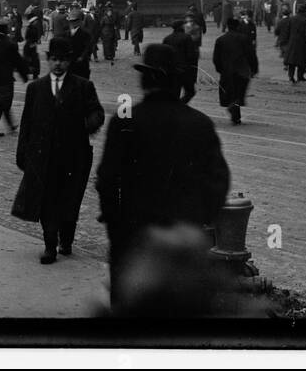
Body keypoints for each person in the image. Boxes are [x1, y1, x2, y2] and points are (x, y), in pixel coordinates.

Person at [95, 43, 230, 305]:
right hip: (184, 243)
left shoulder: (125, 121)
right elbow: (218, 183)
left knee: (131, 315)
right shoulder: (200, 124)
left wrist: (117, 228)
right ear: (176, 84)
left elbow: (107, 181)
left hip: (133, 239)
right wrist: (196, 222)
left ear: (145, 81)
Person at [12, 37, 105, 263]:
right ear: (48, 60)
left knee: (70, 201)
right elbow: (27, 122)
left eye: (63, 60)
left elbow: (97, 113)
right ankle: (49, 246)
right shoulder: (36, 88)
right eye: (54, 59)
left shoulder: (83, 86)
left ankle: (67, 240)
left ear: (69, 62)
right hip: (44, 156)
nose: (58, 65)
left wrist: (87, 124)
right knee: (47, 202)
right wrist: (22, 152)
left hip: (75, 157)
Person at [212, 17, 259, 124]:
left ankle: (236, 116)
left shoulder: (220, 40)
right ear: (238, 26)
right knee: (239, 94)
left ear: (228, 26)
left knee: (231, 94)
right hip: (242, 71)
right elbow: (251, 55)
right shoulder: (244, 38)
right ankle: (235, 114)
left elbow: (216, 58)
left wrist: (220, 69)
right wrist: (254, 68)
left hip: (226, 71)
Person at [162, 18, 199, 102]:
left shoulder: (167, 38)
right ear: (181, 27)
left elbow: (163, 56)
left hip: (172, 71)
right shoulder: (187, 38)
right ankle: (179, 106)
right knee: (190, 92)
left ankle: (176, 108)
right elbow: (191, 55)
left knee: (175, 93)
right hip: (185, 70)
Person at [285, 3, 306, 84]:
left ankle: (291, 77)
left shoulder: (292, 19)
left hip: (292, 42)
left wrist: (288, 40)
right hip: (302, 42)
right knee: (302, 60)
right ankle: (300, 76)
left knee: (292, 61)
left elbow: (288, 31)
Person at [66, 4, 93, 80]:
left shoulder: (85, 34)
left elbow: (88, 47)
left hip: (81, 63)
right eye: (70, 21)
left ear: (79, 22)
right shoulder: (66, 34)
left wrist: (82, 57)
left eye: (74, 21)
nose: (72, 23)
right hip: (70, 63)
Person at [23, 7, 44, 80]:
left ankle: (35, 75)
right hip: (29, 47)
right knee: (31, 61)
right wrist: (32, 43)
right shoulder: (30, 28)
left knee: (34, 62)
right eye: (35, 21)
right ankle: (29, 74)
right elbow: (27, 37)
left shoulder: (34, 28)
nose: (36, 22)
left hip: (33, 47)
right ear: (33, 21)